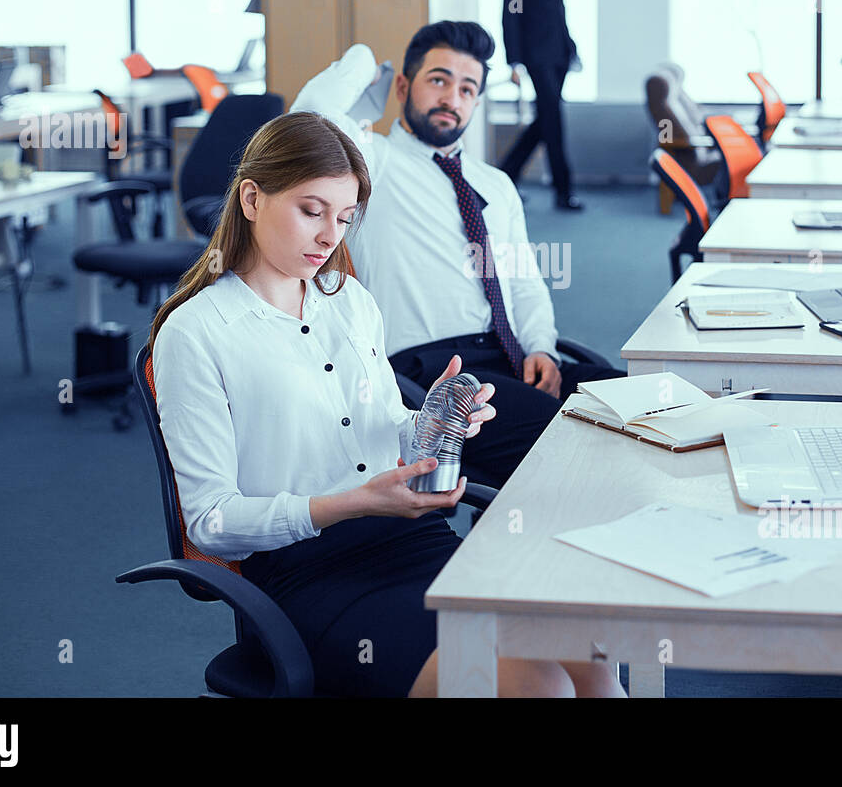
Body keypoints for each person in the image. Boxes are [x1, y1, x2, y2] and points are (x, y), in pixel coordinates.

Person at [149, 112, 623, 698]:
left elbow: (384, 427)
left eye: (344, 218)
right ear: (251, 199)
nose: (330, 236)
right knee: (538, 686)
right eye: (312, 211)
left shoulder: (349, 300)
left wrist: (434, 423)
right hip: (310, 575)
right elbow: (211, 524)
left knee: (593, 661)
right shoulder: (196, 331)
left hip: (412, 540)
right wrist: (352, 502)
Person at [291, 21, 625, 491]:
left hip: (510, 359)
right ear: (403, 87)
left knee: (645, 404)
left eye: (467, 89)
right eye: (438, 80)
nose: (452, 98)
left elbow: (524, 282)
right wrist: (364, 60)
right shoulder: (371, 163)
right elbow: (310, 116)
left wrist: (542, 349)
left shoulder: (496, 184)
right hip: (433, 374)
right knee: (574, 438)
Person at [499, 0, 583, 211]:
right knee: (553, 117)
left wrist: (571, 47)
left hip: (559, 52)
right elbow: (512, 12)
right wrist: (514, 59)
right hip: (535, 54)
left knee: (546, 118)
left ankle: (505, 177)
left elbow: (559, 9)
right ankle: (564, 191)